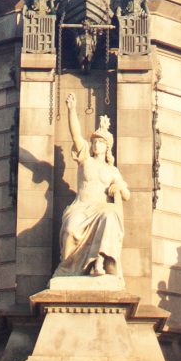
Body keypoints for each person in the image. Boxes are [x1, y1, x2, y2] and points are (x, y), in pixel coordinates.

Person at [56, 92, 129, 276]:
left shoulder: (112, 170)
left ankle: (99, 264)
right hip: (81, 208)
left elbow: (126, 194)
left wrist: (119, 188)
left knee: (110, 216)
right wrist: (72, 110)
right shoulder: (85, 161)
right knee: (70, 230)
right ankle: (68, 270)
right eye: (94, 142)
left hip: (101, 209)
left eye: (100, 143)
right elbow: (76, 136)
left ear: (107, 147)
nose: (96, 145)